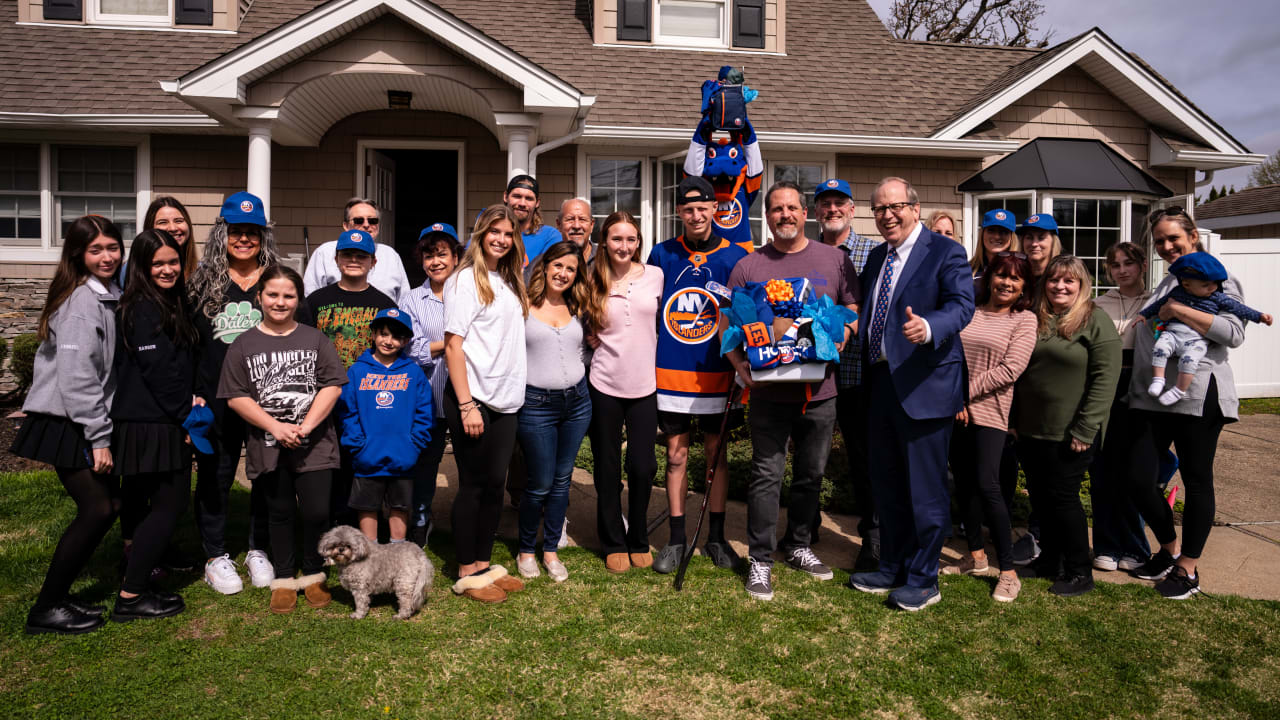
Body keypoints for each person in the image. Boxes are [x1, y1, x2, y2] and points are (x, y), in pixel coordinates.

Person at [724, 181, 859, 602]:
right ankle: (761, 559)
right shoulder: (749, 266)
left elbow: (852, 307)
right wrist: (740, 367)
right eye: (777, 209)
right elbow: (730, 326)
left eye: (792, 208)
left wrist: (845, 333)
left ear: (806, 214)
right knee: (767, 475)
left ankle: (798, 544)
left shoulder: (835, 260)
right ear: (768, 217)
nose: (785, 215)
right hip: (768, 393)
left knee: (811, 475)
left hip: (821, 391)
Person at [847, 176, 973, 612]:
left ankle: (924, 577)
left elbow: (962, 305)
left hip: (925, 385)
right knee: (888, 485)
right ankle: (894, 565)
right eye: (879, 209)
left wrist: (931, 327)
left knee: (925, 489)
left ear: (915, 209)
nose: (887, 216)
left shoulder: (945, 251)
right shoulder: (877, 257)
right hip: (880, 384)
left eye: (895, 207)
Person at [1126, 208, 1253, 599]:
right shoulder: (1169, 280)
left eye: (1173, 239)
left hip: (1198, 396)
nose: (1166, 247)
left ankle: (1188, 568)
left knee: (1197, 482)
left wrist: (1180, 310)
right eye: (1160, 241)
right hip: (1153, 398)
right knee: (1138, 479)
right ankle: (1168, 550)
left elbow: (1233, 332)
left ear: (1192, 235)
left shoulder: (1218, 276)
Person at [14, 216, 122, 635]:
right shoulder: (82, 302)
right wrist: (99, 437)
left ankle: (58, 597)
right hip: (68, 421)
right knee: (97, 509)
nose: (107, 256)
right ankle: (46, 607)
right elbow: (77, 377)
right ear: (78, 253)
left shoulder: (108, 294)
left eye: (112, 247)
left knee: (108, 507)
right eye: (96, 250)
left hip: (81, 417)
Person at [218, 265, 347, 614]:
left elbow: (332, 385)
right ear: (259, 297)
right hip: (268, 445)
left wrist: (304, 426)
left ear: (298, 300)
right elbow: (236, 396)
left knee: (318, 512)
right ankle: (286, 578)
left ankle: (315, 574)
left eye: (288, 295)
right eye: (273, 294)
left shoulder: (314, 338)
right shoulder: (244, 344)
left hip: (315, 442)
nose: (280, 302)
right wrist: (275, 427)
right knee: (280, 512)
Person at [648, 176, 749, 575]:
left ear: (713, 209)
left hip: (717, 376)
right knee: (676, 456)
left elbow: (743, 316)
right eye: (688, 208)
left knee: (715, 457)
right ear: (680, 212)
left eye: (702, 207)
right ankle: (675, 539)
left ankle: (717, 538)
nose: (695, 214)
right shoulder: (662, 254)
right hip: (671, 376)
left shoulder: (735, 257)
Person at [186, 191, 278, 594]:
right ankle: (215, 554)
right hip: (216, 397)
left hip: (267, 399)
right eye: (236, 231)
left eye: (252, 232)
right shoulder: (203, 282)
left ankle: (260, 547)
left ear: (263, 237)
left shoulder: (277, 280)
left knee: (267, 475)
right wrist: (192, 392)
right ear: (222, 233)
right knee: (215, 476)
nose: (244, 239)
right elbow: (187, 344)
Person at [1012, 255, 1120, 597]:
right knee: (1043, 502)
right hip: (1032, 430)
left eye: (1068, 281)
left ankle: (1078, 571)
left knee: (1064, 500)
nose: (1060, 286)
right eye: (1054, 280)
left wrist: (1086, 429)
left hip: (1071, 432)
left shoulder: (1094, 320)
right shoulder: (1037, 318)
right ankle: (1050, 562)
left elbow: (1106, 378)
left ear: (1081, 285)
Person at [110, 229, 203, 622]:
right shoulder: (143, 307)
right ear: (142, 267)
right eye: (158, 263)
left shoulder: (167, 301)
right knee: (169, 506)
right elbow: (159, 371)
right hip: (152, 423)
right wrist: (188, 415)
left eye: (173, 261)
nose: (168, 269)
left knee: (154, 506)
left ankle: (136, 576)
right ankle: (131, 596)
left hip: (155, 418)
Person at [443, 205, 529, 603]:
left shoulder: (510, 280)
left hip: (506, 401)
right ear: (479, 235)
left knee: (496, 486)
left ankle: (482, 563)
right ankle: (464, 568)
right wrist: (466, 406)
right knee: (474, 485)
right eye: (494, 232)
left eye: (508, 233)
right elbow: (453, 346)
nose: (501, 239)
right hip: (473, 398)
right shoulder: (464, 281)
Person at [945, 251, 1036, 602]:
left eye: (1015, 278)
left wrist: (962, 395)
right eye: (1001, 275)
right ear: (989, 277)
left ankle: (1009, 572)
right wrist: (955, 401)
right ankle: (976, 557)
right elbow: (951, 354)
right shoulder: (970, 311)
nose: (1006, 283)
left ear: (1024, 285)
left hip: (990, 415)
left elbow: (1011, 369)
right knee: (964, 487)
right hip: (954, 412)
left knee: (988, 487)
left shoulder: (1024, 320)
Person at [583, 211, 663, 574]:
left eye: (631, 239)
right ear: (604, 240)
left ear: (638, 242)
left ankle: (639, 537)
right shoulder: (590, 277)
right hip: (604, 383)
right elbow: (575, 323)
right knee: (607, 466)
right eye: (617, 239)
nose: (624, 246)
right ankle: (613, 540)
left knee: (643, 466)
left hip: (645, 384)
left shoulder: (655, 276)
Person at [515, 241, 592, 583]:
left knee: (562, 482)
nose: (563, 273)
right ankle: (526, 550)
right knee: (540, 483)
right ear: (545, 267)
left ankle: (550, 551)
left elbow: (587, 349)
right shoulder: (523, 306)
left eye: (570, 269)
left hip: (577, 403)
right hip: (536, 405)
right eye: (558, 266)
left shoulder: (579, 306)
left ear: (577, 275)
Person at [814, 178, 881, 570]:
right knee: (811, 460)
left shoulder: (874, 253)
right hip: (812, 375)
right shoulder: (806, 253)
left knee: (865, 462)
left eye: (840, 203)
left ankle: (872, 539)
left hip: (859, 376)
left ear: (853, 209)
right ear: (816, 211)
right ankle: (803, 531)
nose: (833, 209)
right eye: (826, 204)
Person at [338, 308, 433, 544]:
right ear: (373, 334)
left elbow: (424, 412)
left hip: (403, 456)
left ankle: (397, 551)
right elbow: (347, 411)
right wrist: (357, 444)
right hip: (367, 456)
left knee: (399, 505)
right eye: (383, 334)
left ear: (406, 341)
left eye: (396, 337)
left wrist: (414, 444)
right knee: (367, 505)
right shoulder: (358, 370)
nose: (388, 341)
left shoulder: (413, 373)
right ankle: (369, 552)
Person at [1090, 242, 1155, 572]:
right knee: (1103, 470)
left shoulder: (1158, 302)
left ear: (1143, 265)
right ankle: (1105, 545)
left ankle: (1135, 546)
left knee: (1134, 473)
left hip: (1142, 389)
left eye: (1129, 263)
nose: (1122, 270)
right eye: (1115, 265)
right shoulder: (1099, 304)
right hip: (1106, 387)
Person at [1141, 252, 1271, 406]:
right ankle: (1158, 379)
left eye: (1215, 283)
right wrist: (1144, 314)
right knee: (1160, 348)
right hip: (1173, 332)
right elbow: (1159, 304)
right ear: (1186, 284)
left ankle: (1179, 390)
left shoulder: (1217, 297)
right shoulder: (1176, 292)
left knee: (1189, 361)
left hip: (1196, 339)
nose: (1213, 287)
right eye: (1205, 285)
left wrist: (1259, 316)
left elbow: (1238, 308)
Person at [400, 223, 461, 546]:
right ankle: (421, 518)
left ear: (454, 257)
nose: (435, 261)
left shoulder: (469, 293)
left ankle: (467, 518)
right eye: (428, 255)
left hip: (468, 396)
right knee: (426, 462)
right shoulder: (411, 299)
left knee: (469, 463)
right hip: (428, 395)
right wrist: (453, 342)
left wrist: (440, 343)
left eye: (442, 254)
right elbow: (412, 348)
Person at [303, 229, 399, 369]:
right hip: (324, 383)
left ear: (373, 262)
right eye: (347, 255)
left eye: (361, 256)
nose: (354, 260)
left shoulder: (385, 306)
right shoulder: (316, 300)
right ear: (336, 259)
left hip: (369, 383)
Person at [303, 198, 410, 303]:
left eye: (373, 221)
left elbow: (404, 299)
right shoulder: (325, 252)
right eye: (359, 220)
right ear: (345, 225)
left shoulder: (390, 255)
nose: (367, 225)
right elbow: (310, 296)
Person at [505, 175, 562, 265]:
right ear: (506, 197)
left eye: (529, 198)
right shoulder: (494, 234)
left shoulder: (549, 236)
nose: (522, 203)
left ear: (537, 203)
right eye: (517, 196)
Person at [969, 208, 1019, 287]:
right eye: (991, 230)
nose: (996, 236)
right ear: (982, 234)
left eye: (1003, 232)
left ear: (1012, 238)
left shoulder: (1021, 270)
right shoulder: (967, 269)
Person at [1018, 213, 1062, 285]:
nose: (1034, 244)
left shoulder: (1062, 277)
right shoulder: (1015, 274)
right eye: (1029, 237)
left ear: (1053, 242)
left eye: (1041, 238)